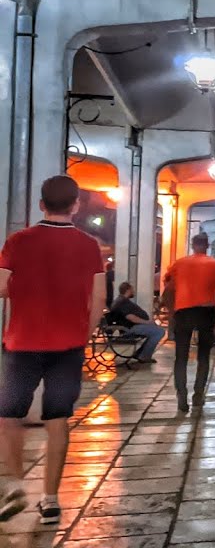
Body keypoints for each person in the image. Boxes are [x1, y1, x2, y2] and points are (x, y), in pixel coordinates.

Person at [0, 175, 106, 524]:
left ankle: (15, 483)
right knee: (57, 420)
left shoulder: (18, 241)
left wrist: (23, 287)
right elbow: (99, 299)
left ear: (41, 204)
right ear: (76, 205)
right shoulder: (89, 245)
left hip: (22, 342)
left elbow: (1, 287)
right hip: (68, 345)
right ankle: (50, 500)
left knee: (9, 415)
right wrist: (85, 335)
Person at [165, 233, 215, 412]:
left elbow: (169, 287)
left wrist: (171, 314)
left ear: (192, 245)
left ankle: (181, 395)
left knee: (181, 357)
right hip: (206, 312)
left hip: (183, 312)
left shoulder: (178, 264)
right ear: (207, 246)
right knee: (203, 356)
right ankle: (198, 394)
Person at [105, 282, 165, 363]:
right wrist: (147, 322)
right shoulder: (123, 302)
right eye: (132, 290)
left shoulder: (121, 300)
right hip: (129, 328)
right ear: (128, 290)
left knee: (155, 330)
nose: (133, 292)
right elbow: (131, 317)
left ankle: (141, 353)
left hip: (130, 327)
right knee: (159, 332)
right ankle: (144, 356)